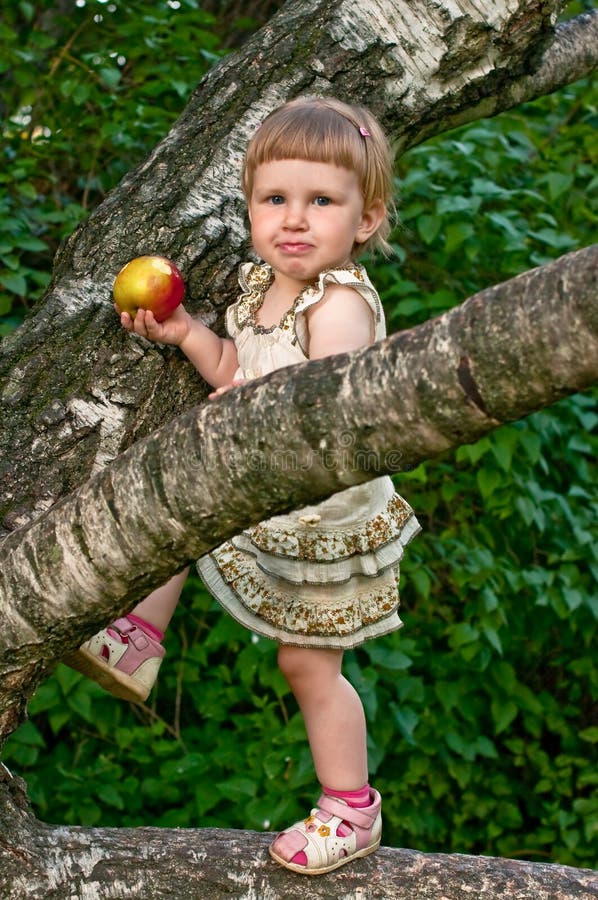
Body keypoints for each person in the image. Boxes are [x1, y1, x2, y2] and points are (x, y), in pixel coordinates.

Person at [65, 96, 420, 875]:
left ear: (365, 219)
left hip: (322, 512)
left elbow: (306, 404)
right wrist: (188, 331)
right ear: (252, 208)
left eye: (321, 201)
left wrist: (241, 413)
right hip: (263, 485)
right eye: (275, 200)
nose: (295, 219)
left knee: (306, 665)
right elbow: (239, 368)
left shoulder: (343, 308)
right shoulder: (264, 286)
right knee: (176, 509)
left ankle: (350, 809)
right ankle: (138, 640)